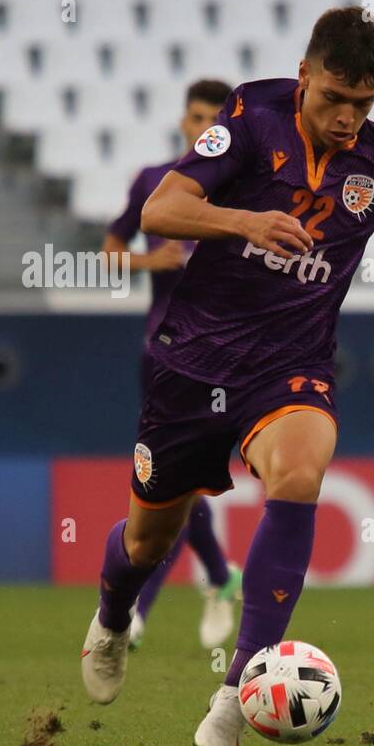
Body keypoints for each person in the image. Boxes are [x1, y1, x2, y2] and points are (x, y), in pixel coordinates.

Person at [81, 7, 374, 746]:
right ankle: (113, 618)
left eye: (364, 104)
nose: (347, 119)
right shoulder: (249, 117)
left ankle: (236, 690)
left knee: (302, 471)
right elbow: (161, 208)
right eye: (333, 98)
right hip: (192, 365)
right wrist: (247, 221)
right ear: (304, 74)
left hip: (290, 365)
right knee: (147, 540)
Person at [102, 77, 242, 653]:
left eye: (214, 117)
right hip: (160, 351)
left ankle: (140, 607)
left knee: (181, 485)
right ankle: (217, 577)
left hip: (225, 358)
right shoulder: (155, 184)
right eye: (194, 116)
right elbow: (109, 251)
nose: (202, 125)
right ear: (183, 123)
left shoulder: (243, 188)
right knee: (172, 483)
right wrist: (145, 260)